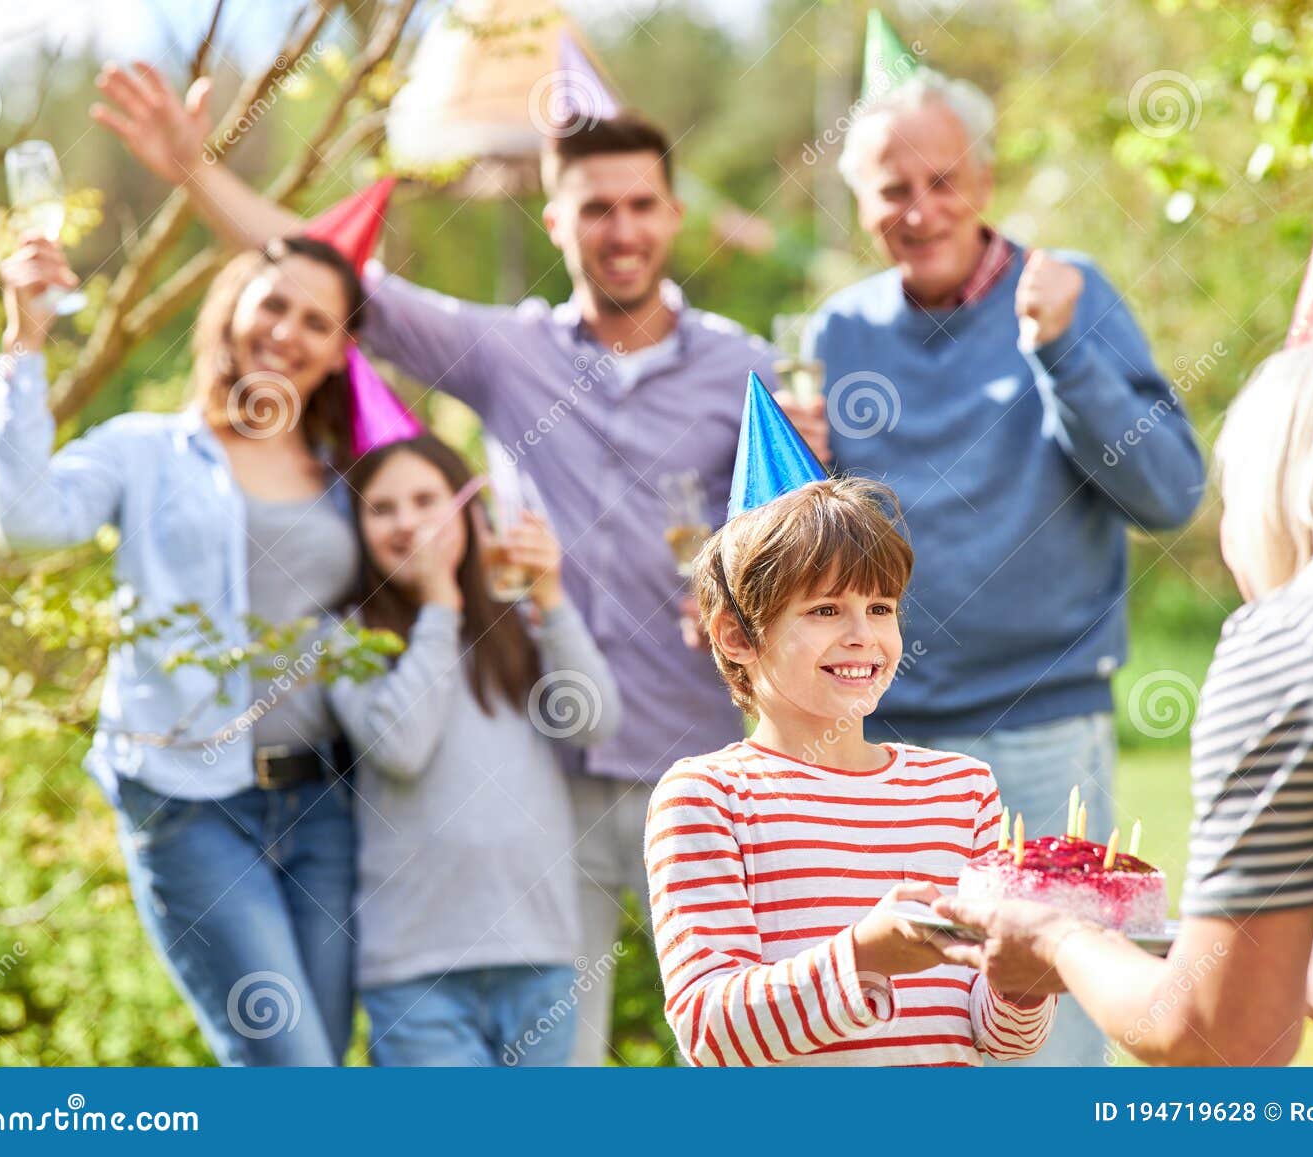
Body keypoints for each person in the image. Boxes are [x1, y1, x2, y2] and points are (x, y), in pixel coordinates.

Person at [93, 62, 775, 1063]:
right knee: (564, 1058)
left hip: (701, 757)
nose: (620, 230)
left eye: (640, 206)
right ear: (555, 222)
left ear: (673, 214)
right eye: (595, 209)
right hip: (551, 771)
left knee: (740, 1041)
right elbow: (333, 282)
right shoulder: (509, 354)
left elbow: (800, 535)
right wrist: (196, 173)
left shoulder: (746, 366)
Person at [935, 324, 1313, 1067]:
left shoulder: (1297, 631)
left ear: (1276, 487)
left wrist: (1056, 937)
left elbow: (1217, 1035)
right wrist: (1284, 944)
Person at [783, 67, 1204, 1065]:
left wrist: (1057, 350)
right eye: (892, 189)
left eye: (943, 179)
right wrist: (804, 470)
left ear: (985, 175)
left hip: (1042, 730)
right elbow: (817, 552)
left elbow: (1169, 493)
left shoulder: (1068, 293)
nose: (920, 209)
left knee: (1042, 1039)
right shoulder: (838, 330)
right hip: (880, 741)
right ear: (858, 201)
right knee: (905, 1040)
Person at [0, 232, 366, 1065]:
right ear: (230, 310)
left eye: (316, 320)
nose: (288, 332)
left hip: (326, 804)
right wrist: (25, 344)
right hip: (189, 803)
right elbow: (29, 520)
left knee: (324, 1068)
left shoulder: (351, 477)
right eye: (273, 304)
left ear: (339, 351)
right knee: (290, 1069)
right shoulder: (146, 449)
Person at [647, 465, 1055, 1065]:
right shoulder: (709, 797)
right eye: (826, 611)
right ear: (736, 636)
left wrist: (1022, 981)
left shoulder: (961, 790)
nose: (864, 636)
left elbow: (1004, 1041)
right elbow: (711, 1031)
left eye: (882, 607)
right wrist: (862, 956)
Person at [326, 435, 619, 1066]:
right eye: (382, 508)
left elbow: (595, 720)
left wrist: (551, 599)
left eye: (426, 500)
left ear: (466, 510)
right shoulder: (348, 637)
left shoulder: (515, 622)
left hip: (538, 954)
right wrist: (439, 607)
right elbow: (401, 748)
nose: (407, 522)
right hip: (416, 969)